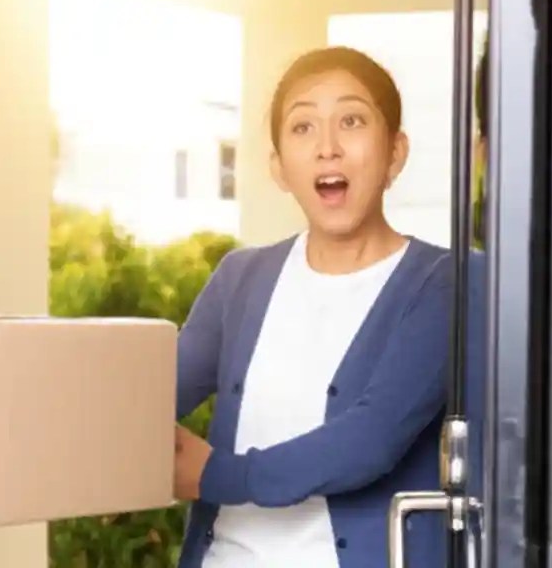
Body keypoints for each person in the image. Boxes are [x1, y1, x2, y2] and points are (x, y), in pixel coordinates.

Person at [171, 46, 453, 568]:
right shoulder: (239, 279)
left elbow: (369, 439)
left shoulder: (447, 283)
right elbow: (146, 399)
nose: (328, 148)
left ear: (395, 152)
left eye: (351, 121)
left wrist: (214, 475)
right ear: (279, 167)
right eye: (303, 127)